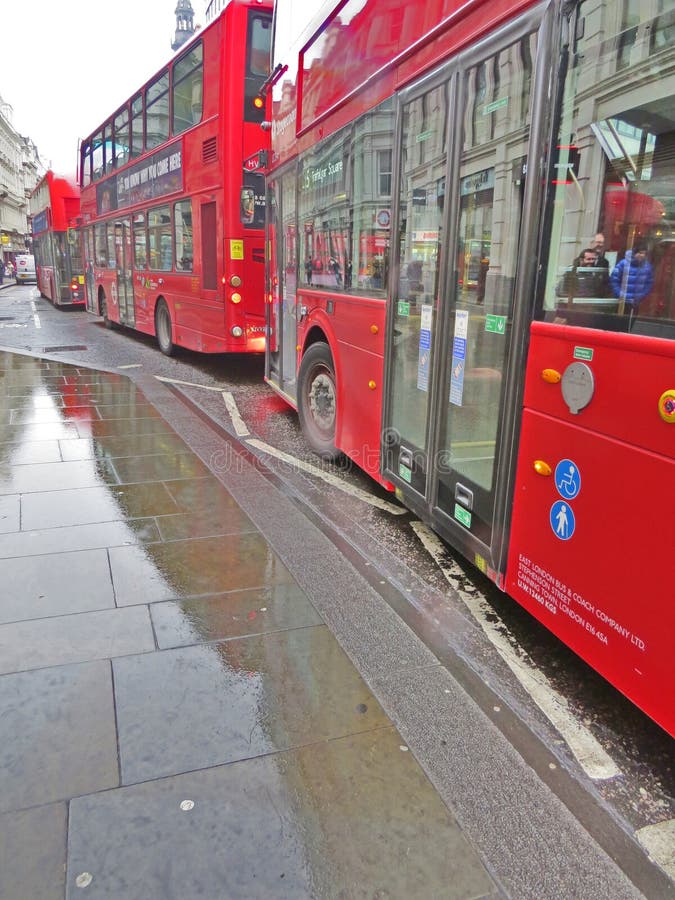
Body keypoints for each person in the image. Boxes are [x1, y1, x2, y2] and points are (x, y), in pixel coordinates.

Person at [610, 243, 654, 313]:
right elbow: (614, 280)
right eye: (640, 253)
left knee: (632, 321)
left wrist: (641, 295)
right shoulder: (623, 264)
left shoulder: (647, 266)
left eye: (644, 253)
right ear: (634, 253)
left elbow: (649, 283)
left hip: (636, 302)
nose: (642, 255)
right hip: (622, 301)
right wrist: (620, 294)